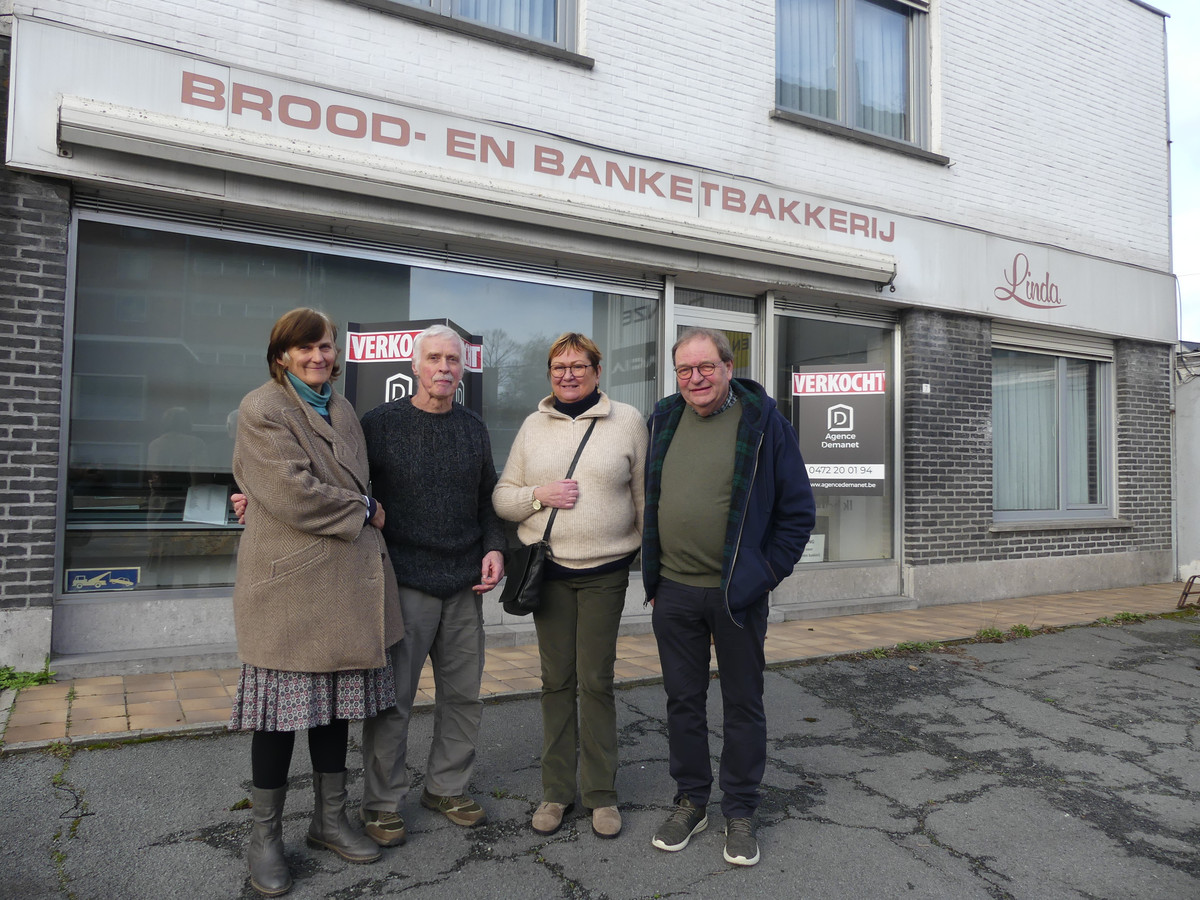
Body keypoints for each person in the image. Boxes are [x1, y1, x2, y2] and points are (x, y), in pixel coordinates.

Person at [228, 308, 404, 897]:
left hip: (344, 585)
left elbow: (350, 478)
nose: (317, 357)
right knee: (279, 718)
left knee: (332, 709)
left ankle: (329, 821)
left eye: (325, 346)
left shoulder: (343, 407)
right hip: (289, 587)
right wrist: (365, 510)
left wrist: (364, 501)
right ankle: (265, 839)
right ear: (281, 355)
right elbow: (291, 492)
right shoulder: (263, 407)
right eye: (304, 348)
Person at [643, 327, 815, 868]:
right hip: (673, 591)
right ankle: (691, 801)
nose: (695, 378)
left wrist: (762, 576)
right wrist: (654, 578)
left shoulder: (764, 423)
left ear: (727, 366)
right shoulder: (663, 418)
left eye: (705, 367)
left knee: (743, 703)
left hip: (736, 596)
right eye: (684, 369)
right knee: (683, 701)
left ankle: (740, 809)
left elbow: (797, 514)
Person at [493, 333, 648, 840]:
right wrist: (539, 496)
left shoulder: (628, 421)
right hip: (551, 574)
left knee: (596, 681)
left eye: (579, 366)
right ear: (549, 374)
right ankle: (556, 791)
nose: (568, 374)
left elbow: (644, 497)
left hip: (606, 572)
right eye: (559, 367)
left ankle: (601, 794)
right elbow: (502, 498)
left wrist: (652, 565)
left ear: (597, 372)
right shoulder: (532, 426)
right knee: (556, 681)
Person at [358, 324, 507, 847]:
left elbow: (488, 496)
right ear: (415, 365)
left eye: (453, 360)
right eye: (435, 358)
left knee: (463, 696)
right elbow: (341, 484)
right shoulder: (379, 424)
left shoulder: (472, 428)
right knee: (393, 700)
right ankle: (381, 804)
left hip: (464, 584)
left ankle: (446, 788)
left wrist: (494, 547)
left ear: (462, 369)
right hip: (404, 582)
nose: (444, 368)